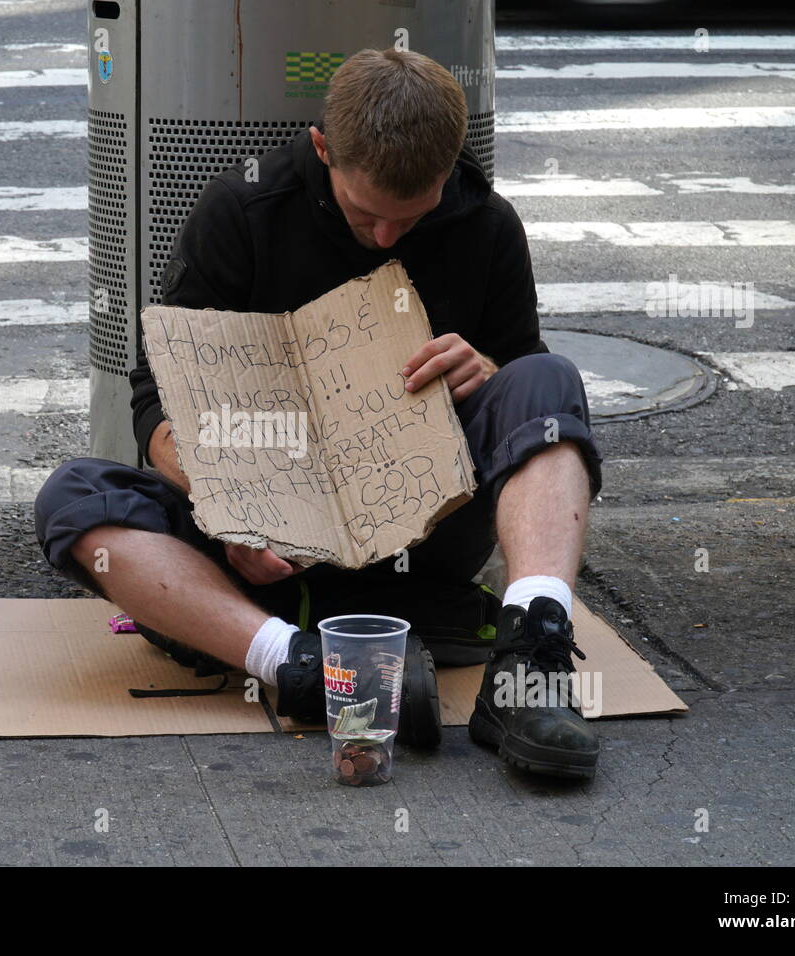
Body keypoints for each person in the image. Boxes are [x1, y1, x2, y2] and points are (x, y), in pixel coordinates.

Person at [35, 48, 605, 778]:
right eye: (368, 214)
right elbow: (155, 397)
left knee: (548, 380)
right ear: (321, 147)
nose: (389, 238)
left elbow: (528, 400)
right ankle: (301, 667)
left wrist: (488, 370)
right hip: (263, 555)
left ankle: (528, 667)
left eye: (416, 213)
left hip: (424, 529)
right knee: (75, 496)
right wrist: (227, 506)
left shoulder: (487, 225)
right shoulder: (241, 212)